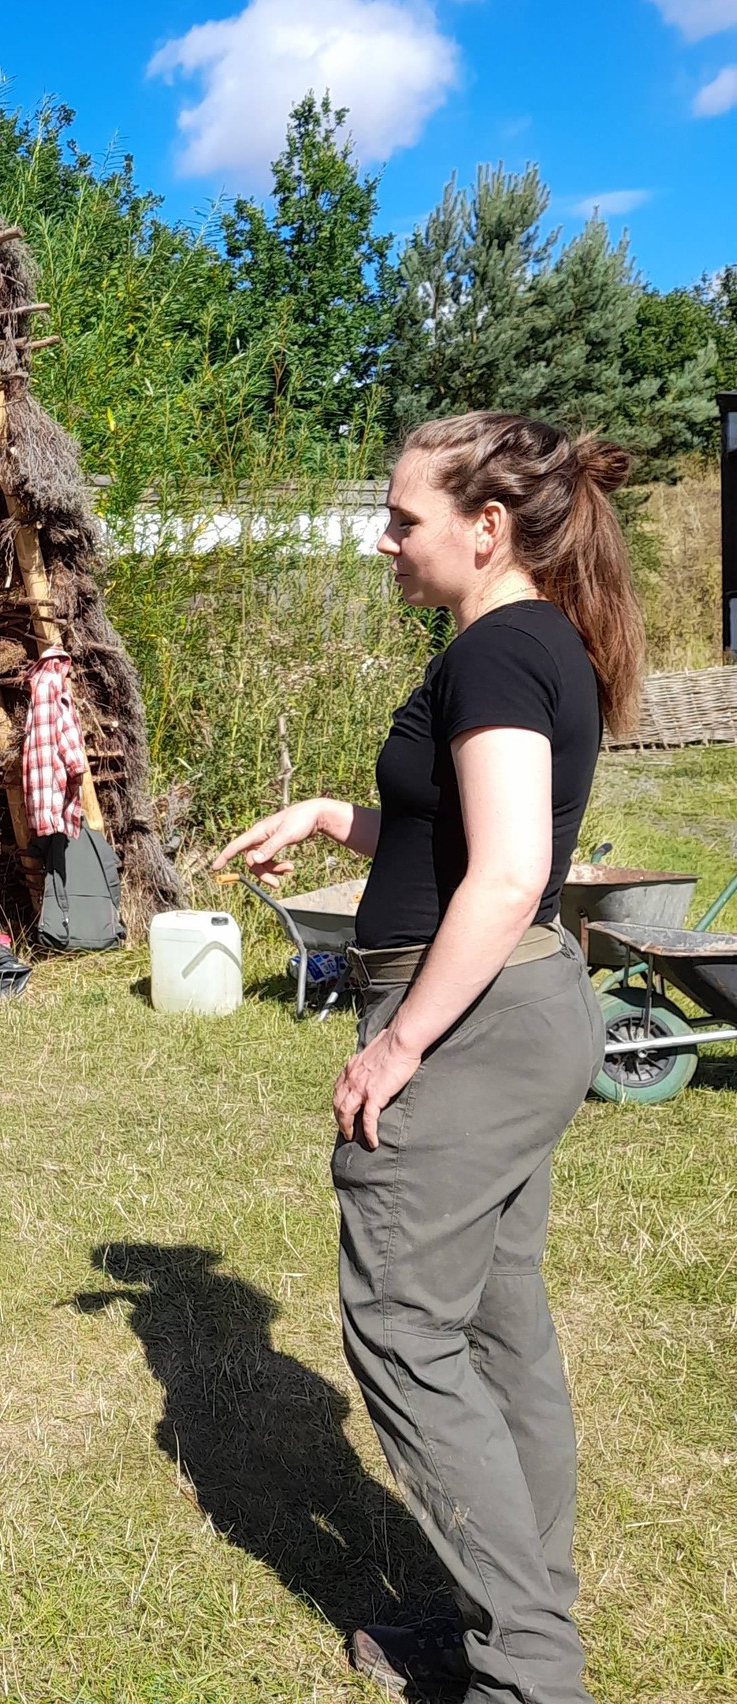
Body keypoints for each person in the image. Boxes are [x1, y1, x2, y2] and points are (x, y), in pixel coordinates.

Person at [214, 412, 641, 1704]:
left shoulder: (502, 654)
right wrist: (333, 815)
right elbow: (455, 840)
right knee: (499, 1333)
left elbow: (509, 872)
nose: (385, 539)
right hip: (521, 1011)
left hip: (472, 1022)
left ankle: (527, 1672)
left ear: (485, 528)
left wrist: (398, 1043)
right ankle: (504, 1627)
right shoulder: (524, 646)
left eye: (403, 518)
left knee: (402, 1326)